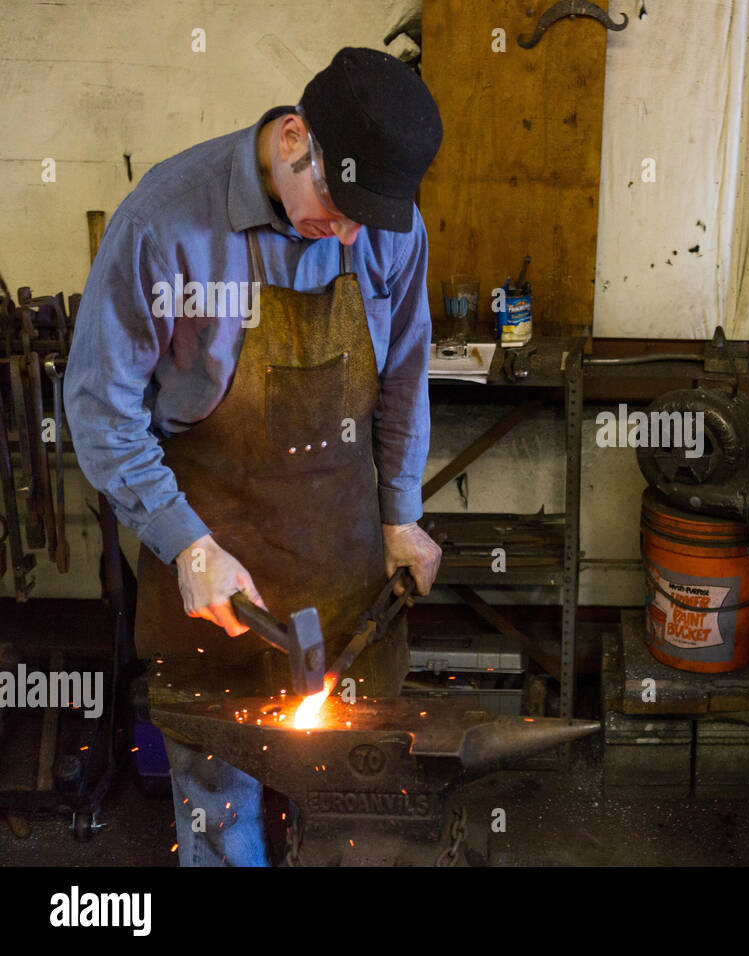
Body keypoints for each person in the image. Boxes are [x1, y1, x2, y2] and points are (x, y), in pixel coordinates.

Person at [65, 47, 444, 866]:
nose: (343, 234)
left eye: (363, 221)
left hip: (344, 569)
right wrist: (183, 542)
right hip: (215, 570)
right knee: (221, 810)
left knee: (356, 806)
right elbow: (98, 407)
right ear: (295, 137)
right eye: (335, 206)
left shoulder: (388, 228)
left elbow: (407, 373)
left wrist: (402, 515)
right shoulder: (164, 224)